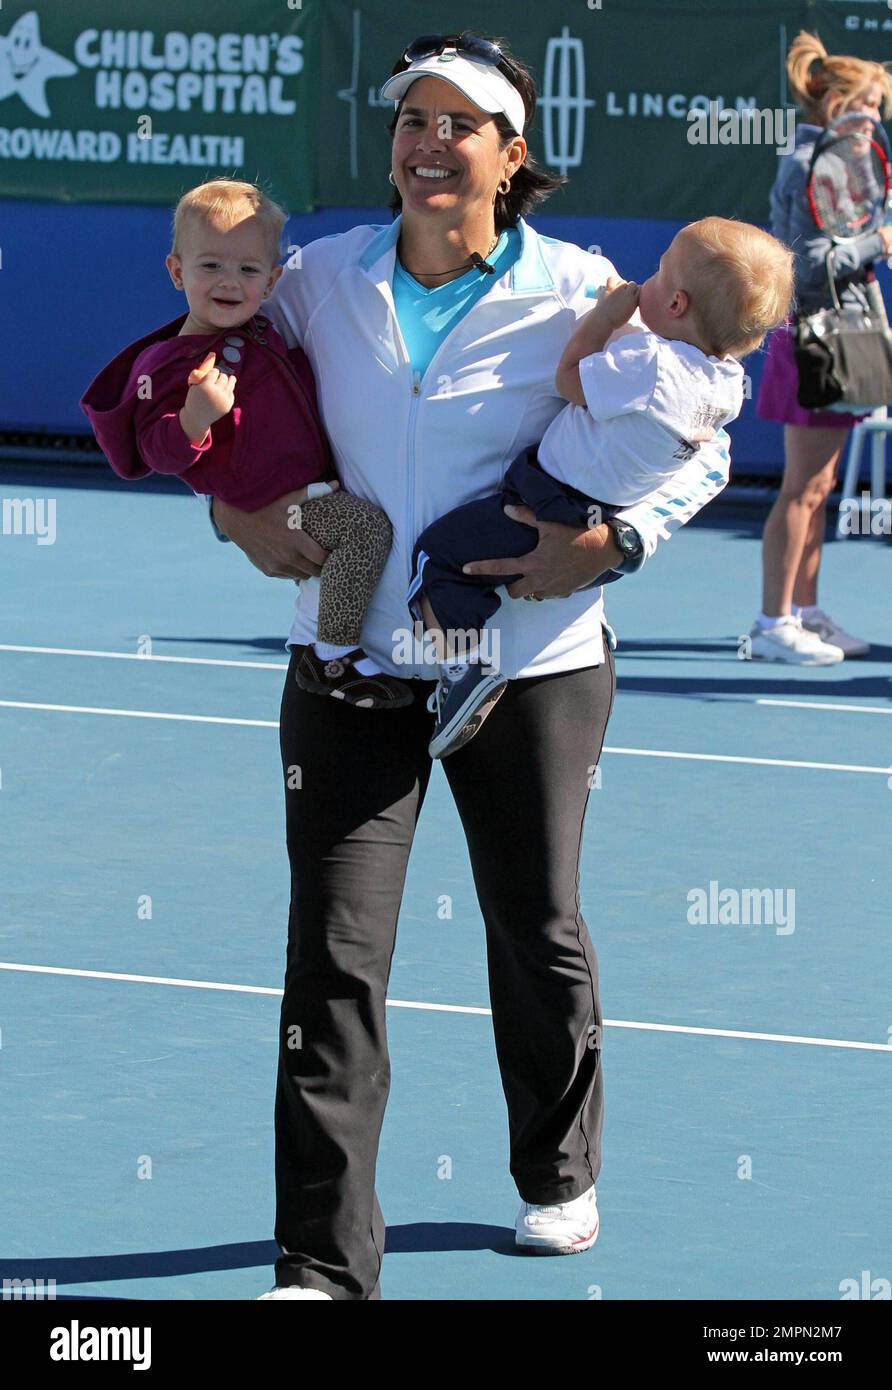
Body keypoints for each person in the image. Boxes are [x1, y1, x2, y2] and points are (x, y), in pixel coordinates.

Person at [210, 31, 735, 1300]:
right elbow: (225, 387)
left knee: (532, 926)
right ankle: (322, 1260)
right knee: (331, 957)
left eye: (461, 124)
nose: (429, 143)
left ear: (512, 155)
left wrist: (608, 544)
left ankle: (557, 1172)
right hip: (347, 664)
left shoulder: (586, 289)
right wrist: (232, 514)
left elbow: (703, 441)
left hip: (530, 670)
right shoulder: (316, 277)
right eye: (412, 122)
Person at [413, 217, 793, 758]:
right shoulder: (726, 384)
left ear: (677, 305)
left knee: (435, 556)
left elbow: (570, 378)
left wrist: (604, 317)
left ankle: (465, 665)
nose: (648, 280)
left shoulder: (647, 361)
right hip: (607, 520)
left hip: (545, 500)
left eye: (661, 273)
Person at [80, 178, 411, 710]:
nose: (229, 281)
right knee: (366, 529)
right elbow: (156, 451)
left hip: (313, 485)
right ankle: (333, 655)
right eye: (210, 266)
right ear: (176, 271)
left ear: (273, 279)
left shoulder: (265, 331)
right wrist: (194, 418)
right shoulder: (167, 363)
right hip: (282, 502)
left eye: (248, 270)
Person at [750, 29, 892, 664]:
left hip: (842, 337)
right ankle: (771, 623)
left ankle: (805, 612)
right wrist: (878, 244)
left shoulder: (840, 162)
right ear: (837, 104)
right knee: (801, 489)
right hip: (814, 342)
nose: (877, 119)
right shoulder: (812, 161)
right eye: (870, 104)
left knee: (820, 486)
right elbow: (807, 267)